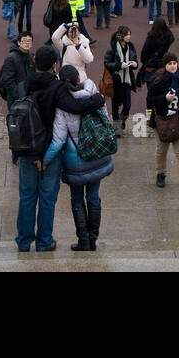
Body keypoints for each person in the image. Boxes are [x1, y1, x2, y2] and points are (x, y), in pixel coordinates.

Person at [12, 45, 106, 252]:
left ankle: (24, 241)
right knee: (47, 198)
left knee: (27, 196)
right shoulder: (56, 87)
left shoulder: (22, 85)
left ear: (35, 62)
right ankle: (44, 241)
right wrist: (97, 100)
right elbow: (74, 107)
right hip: (47, 151)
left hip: (26, 150)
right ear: (54, 64)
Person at [41, 66, 109, 251]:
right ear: (79, 78)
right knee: (94, 197)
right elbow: (106, 121)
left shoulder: (63, 105)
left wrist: (45, 161)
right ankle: (93, 239)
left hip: (75, 159)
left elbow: (58, 140)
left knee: (77, 199)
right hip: (96, 153)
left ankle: (83, 240)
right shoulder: (95, 94)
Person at [148, 54, 179, 194]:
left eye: (174, 62)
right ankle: (161, 173)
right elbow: (150, 101)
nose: (173, 66)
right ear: (165, 65)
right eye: (169, 63)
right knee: (162, 150)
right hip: (161, 122)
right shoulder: (157, 81)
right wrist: (164, 98)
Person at [102, 26, 139, 136]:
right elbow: (107, 63)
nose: (129, 36)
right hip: (115, 80)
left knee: (127, 105)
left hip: (127, 79)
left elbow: (135, 60)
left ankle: (122, 120)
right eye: (127, 34)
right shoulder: (112, 48)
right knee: (115, 105)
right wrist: (120, 65)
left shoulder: (131, 47)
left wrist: (134, 64)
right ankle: (117, 130)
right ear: (121, 36)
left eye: (129, 34)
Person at [139, 19, 175, 88]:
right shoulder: (168, 37)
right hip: (163, 63)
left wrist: (145, 62)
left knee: (151, 89)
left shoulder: (150, 38)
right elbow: (172, 38)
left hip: (152, 66)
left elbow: (144, 54)